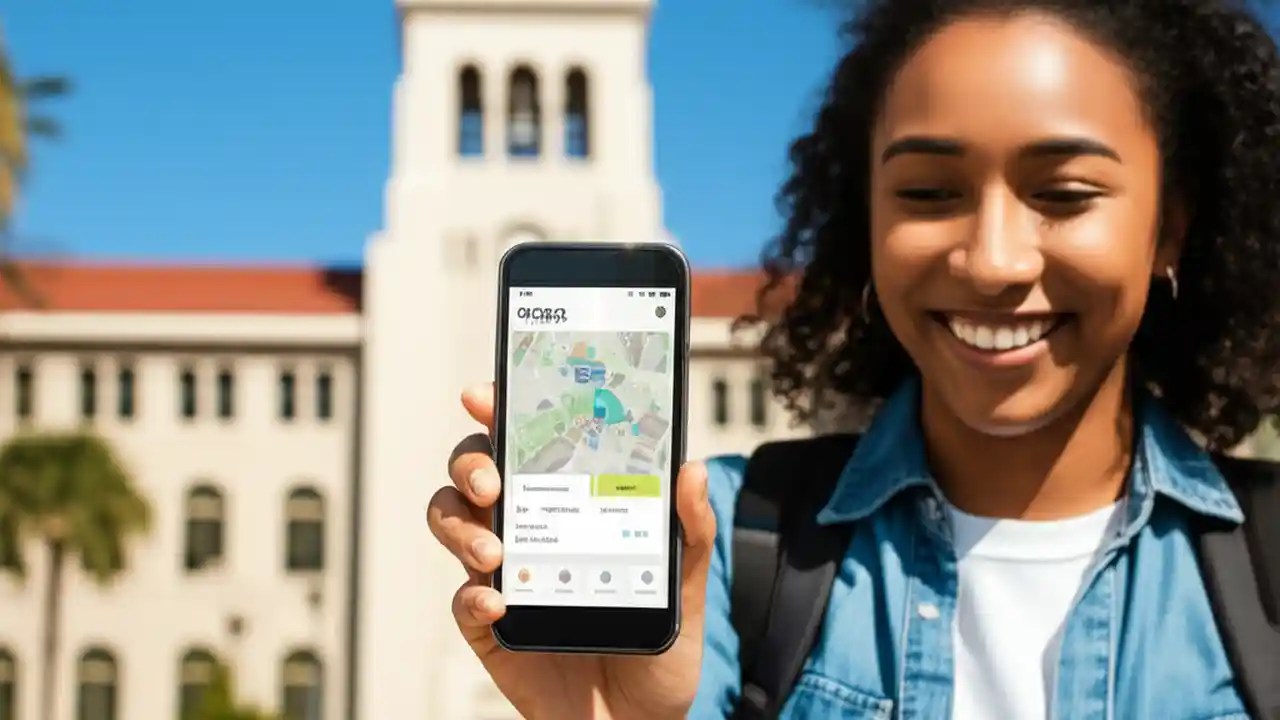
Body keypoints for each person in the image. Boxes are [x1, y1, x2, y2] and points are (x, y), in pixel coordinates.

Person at [427, 0, 1280, 716]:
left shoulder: (1263, 573)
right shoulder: (716, 541)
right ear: (863, 216)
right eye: (928, 193)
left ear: (1169, 223)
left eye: (1062, 193)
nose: (993, 259)